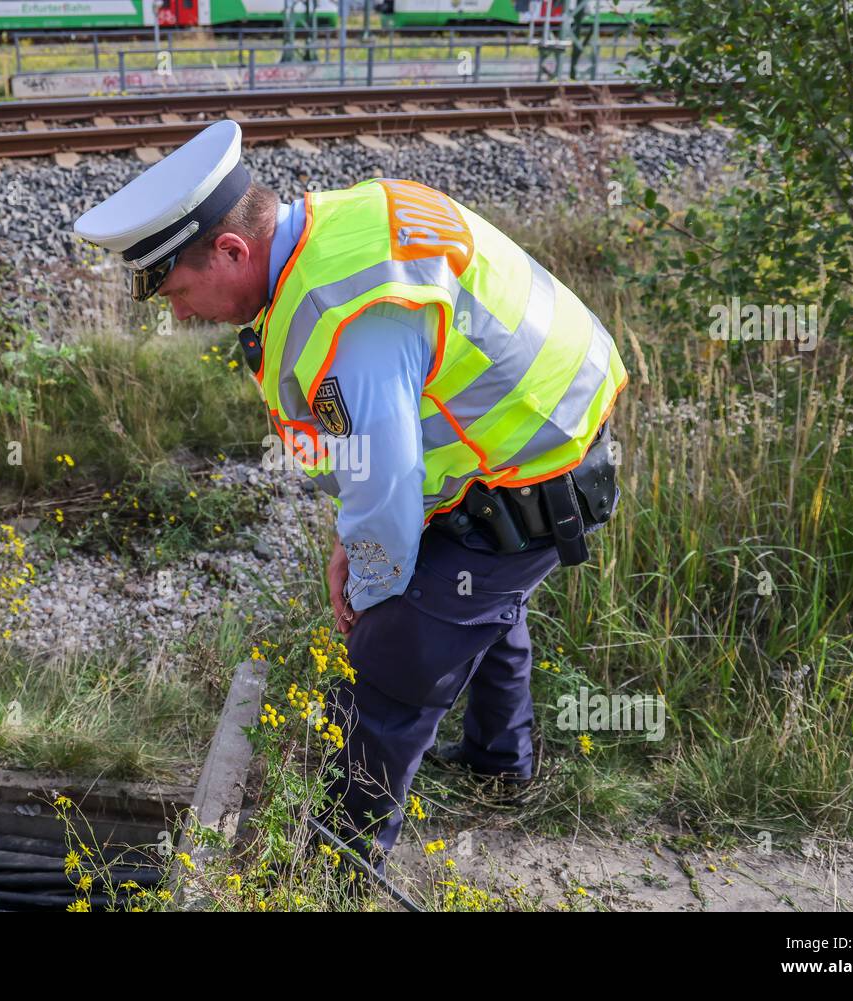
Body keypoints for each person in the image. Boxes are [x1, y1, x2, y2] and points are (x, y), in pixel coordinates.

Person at [72, 120, 628, 878]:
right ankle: (503, 769)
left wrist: (370, 586)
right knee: (476, 594)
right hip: (533, 423)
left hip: (536, 462)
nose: (180, 315)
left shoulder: (345, 316)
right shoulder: (331, 227)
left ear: (233, 250)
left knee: (395, 658)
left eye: (178, 292)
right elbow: (376, 447)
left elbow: (389, 484)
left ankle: (332, 870)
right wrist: (352, 534)